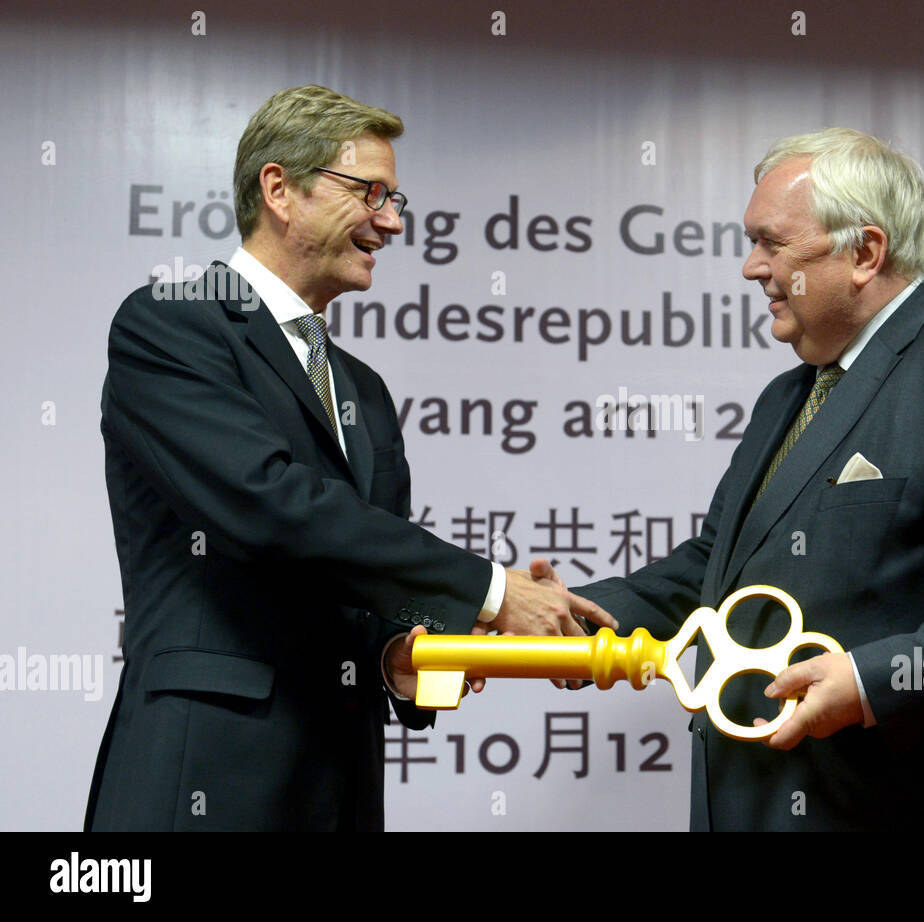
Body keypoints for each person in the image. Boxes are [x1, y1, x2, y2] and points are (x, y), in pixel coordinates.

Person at [564, 128, 924, 831]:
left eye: (771, 242)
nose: (750, 267)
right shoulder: (788, 397)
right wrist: (577, 618)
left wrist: (867, 683)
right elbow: (714, 574)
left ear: (864, 252)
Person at [86, 85, 611, 831]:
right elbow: (269, 507)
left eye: (395, 198)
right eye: (369, 193)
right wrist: (493, 590)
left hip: (341, 785)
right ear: (279, 190)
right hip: (206, 773)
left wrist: (402, 652)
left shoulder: (362, 388)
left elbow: (355, 579)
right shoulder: (172, 323)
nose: (392, 221)